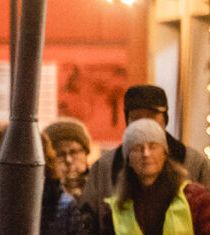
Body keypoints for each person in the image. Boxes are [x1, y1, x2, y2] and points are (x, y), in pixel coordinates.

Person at [82, 84, 210, 207]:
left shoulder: (194, 163)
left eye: (151, 117)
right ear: (128, 122)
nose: (144, 125)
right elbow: (89, 218)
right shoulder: (105, 167)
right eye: (137, 118)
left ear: (165, 119)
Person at [44, 118, 94, 197]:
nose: (68, 160)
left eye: (74, 152)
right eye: (60, 154)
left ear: (85, 153)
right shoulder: (42, 193)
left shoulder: (101, 186)